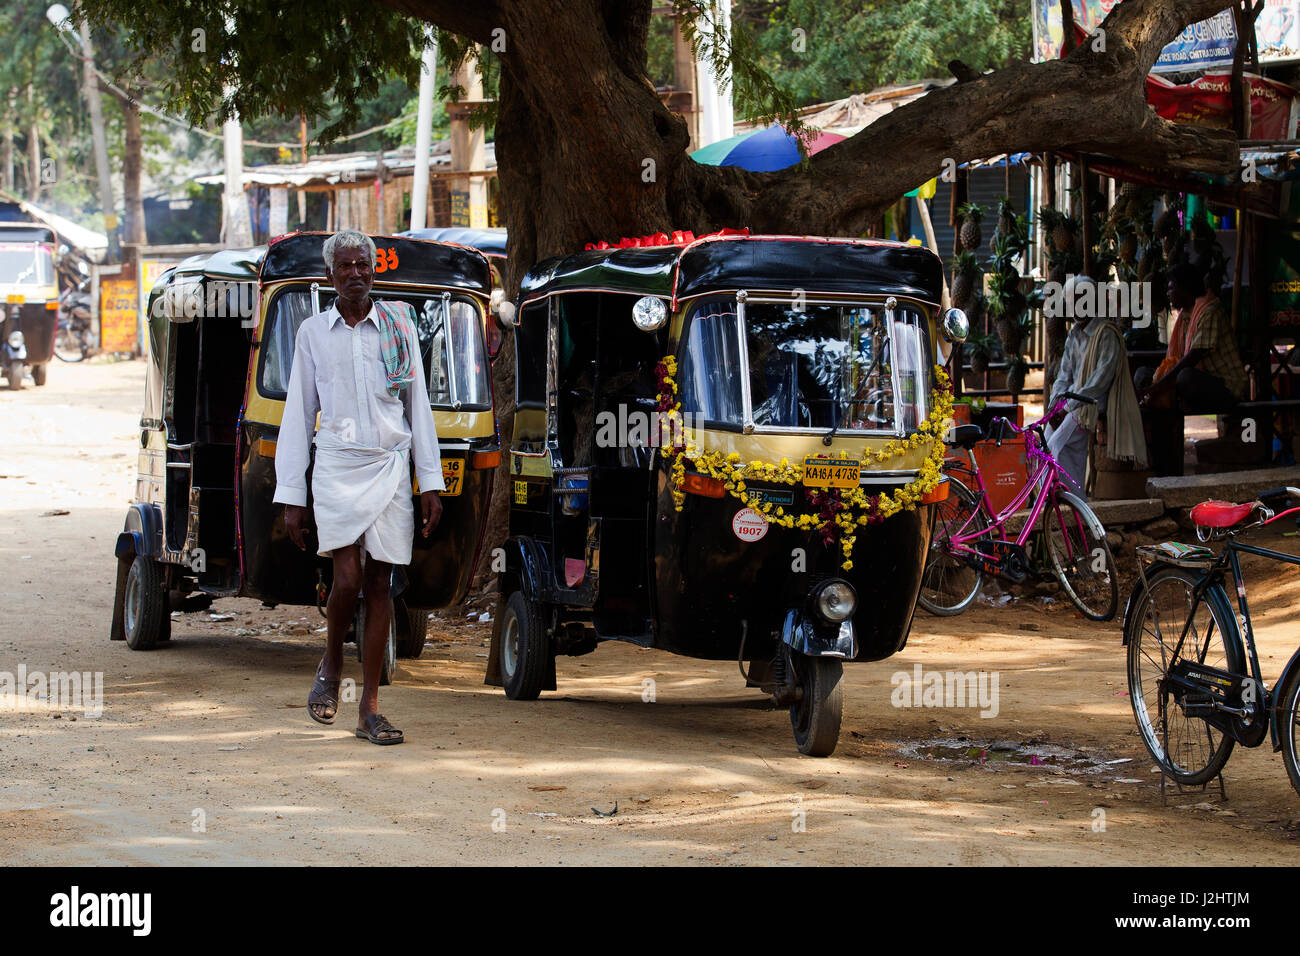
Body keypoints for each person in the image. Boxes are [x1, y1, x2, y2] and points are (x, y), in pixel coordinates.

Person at [274, 230, 445, 745]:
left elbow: (419, 409)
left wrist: (428, 482)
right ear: (330, 274)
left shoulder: (398, 327)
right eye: (345, 266)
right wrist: (292, 498)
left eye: (363, 265)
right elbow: (299, 416)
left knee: (379, 588)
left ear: (373, 271)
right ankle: (330, 660)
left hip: (390, 467)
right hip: (337, 466)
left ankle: (369, 709)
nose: (355, 273)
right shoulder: (313, 333)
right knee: (346, 578)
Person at [1046, 275, 1147, 495]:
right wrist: (1055, 405)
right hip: (1073, 403)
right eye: (1072, 299)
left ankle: (1074, 503)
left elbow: (1098, 382)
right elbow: (1064, 376)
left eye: (1081, 298)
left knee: (1059, 446)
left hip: (1094, 403)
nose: (1075, 305)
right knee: (1045, 442)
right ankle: (1048, 502)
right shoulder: (1073, 334)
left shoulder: (1106, 333)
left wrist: (1066, 408)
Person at [1135, 262, 1247, 413]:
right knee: (1142, 375)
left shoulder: (1209, 312)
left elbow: (1192, 358)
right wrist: (1155, 383)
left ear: (1185, 289)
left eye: (1171, 288)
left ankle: (1165, 406)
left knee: (1185, 378)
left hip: (1227, 388)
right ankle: (1161, 432)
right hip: (1203, 381)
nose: (1168, 293)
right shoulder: (1185, 316)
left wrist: (1157, 386)